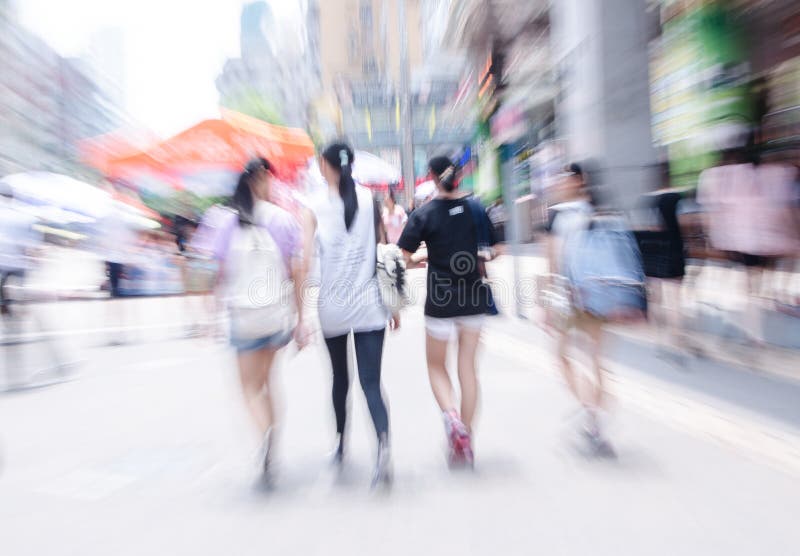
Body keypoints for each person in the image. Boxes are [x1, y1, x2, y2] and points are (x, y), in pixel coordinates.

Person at [301, 142, 395, 488]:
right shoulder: (372, 201)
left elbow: (305, 260)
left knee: (340, 380)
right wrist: (393, 305)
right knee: (371, 382)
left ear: (324, 166)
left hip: (333, 308)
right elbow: (384, 251)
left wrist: (299, 312)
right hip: (371, 304)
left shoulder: (312, 206)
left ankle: (341, 443)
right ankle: (383, 444)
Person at [397, 156, 498, 468]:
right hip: (474, 299)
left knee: (436, 366)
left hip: (441, 300)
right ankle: (466, 439)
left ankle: (451, 417)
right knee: (468, 369)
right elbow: (494, 250)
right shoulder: (477, 208)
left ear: (431, 176)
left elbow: (405, 257)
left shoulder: (423, 213)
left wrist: (426, 257)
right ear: (459, 175)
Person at [212, 157, 308, 482]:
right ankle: (273, 443)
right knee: (269, 382)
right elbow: (296, 272)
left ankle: (263, 433)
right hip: (275, 315)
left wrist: (211, 314)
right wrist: (300, 318)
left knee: (249, 387)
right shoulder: (282, 220)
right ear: (264, 178)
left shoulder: (226, 221)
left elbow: (219, 273)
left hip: (243, 316)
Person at [544, 164, 616, 456]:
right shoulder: (599, 211)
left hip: (571, 296)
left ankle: (590, 414)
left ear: (577, 180)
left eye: (563, 177)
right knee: (596, 359)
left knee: (562, 356)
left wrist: (546, 302)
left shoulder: (559, 215)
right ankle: (594, 417)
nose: (559, 182)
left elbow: (553, 261)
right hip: (602, 293)